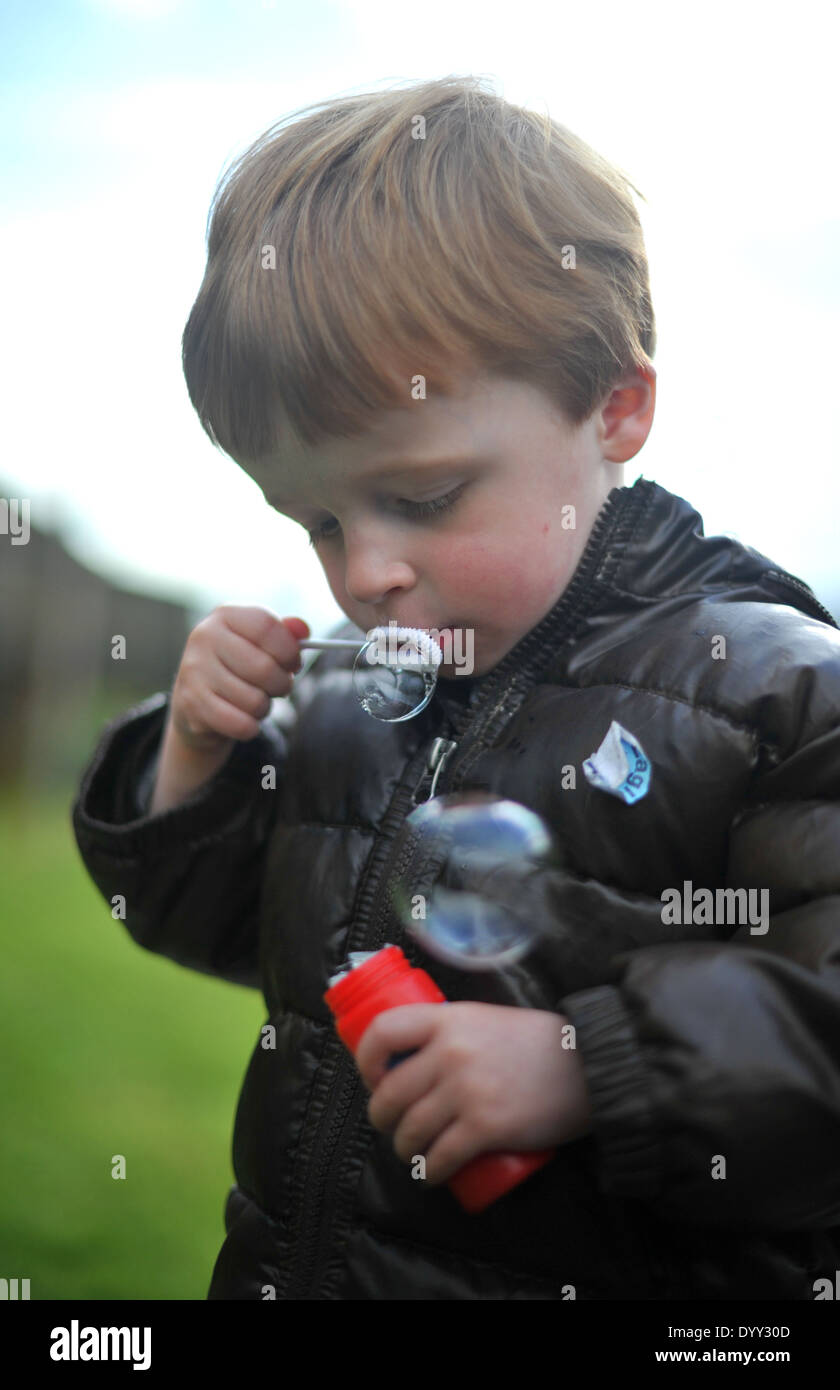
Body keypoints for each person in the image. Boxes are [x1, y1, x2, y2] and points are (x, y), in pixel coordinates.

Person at [71, 75, 840, 1300]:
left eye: (422, 499)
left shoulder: (769, 696)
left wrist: (598, 1066)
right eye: (316, 518)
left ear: (615, 407)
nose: (366, 572)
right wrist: (196, 762)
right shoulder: (351, 690)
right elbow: (225, 925)